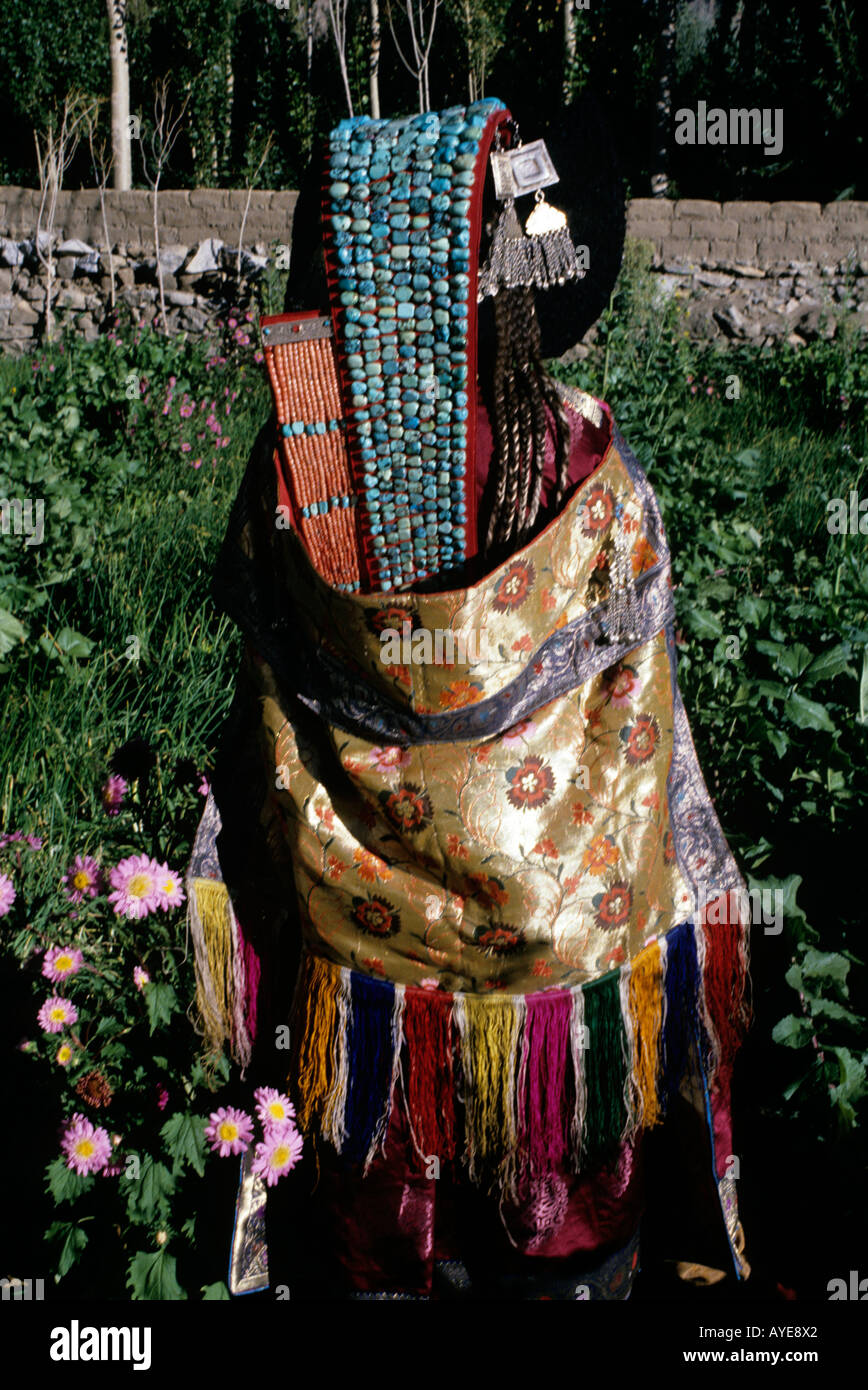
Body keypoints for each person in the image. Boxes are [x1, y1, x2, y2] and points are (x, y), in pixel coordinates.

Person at [186, 97, 751, 1300]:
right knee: (560, 1249)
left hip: (365, 996)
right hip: (549, 1006)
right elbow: (642, 741)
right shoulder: (589, 473)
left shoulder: (295, 480)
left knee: (376, 1252)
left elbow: (258, 698)